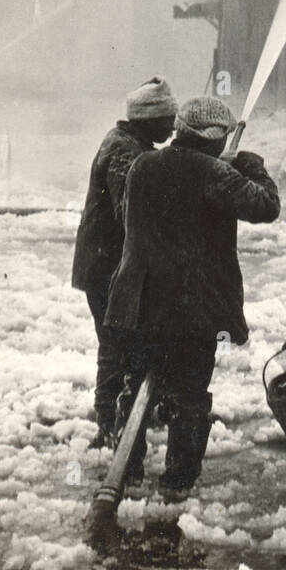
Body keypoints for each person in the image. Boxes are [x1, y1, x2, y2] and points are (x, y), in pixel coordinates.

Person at [105, 96, 280, 500]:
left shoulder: (142, 165)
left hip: (137, 301)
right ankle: (178, 481)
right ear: (215, 140)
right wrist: (249, 164)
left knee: (135, 386)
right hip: (192, 307)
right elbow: (266, 205)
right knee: (189, 395)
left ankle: (127, 471)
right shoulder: (215, 172)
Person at [72, 76, 178, 449]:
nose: (173, 126)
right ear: (147, 119)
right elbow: (128, 210)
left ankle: (125, 416)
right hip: (107, 271)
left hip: (109, 266)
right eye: (168, 119)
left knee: (120, 344)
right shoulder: (123, 154)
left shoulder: (128, 144)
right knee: (116, 346)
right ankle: (109, 424)